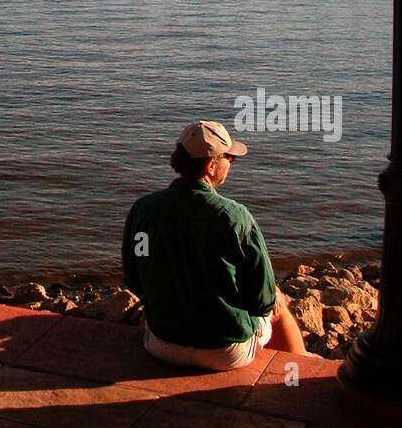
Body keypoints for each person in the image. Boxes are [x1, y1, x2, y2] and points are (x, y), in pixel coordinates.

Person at [122, 119, 306, 369]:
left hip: (161, 343)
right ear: (211, 165)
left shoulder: (142, 210)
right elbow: (263, 299)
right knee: (279, 305)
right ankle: (300, 373)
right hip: (225, 351)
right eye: (229, 158)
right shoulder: (235, 217)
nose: (230, 164)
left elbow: (134, 278)